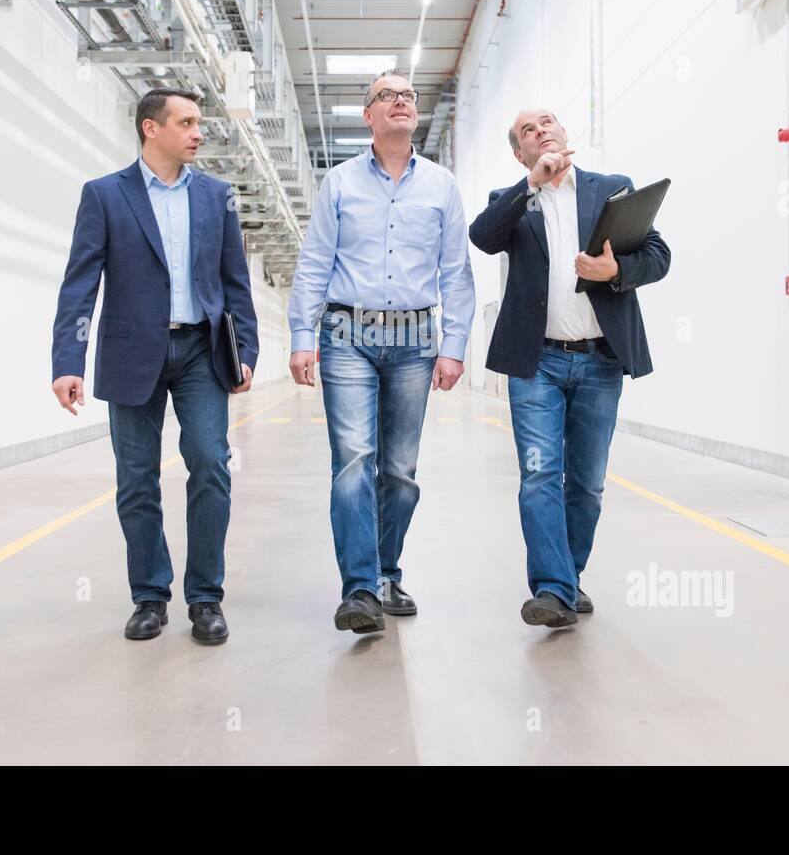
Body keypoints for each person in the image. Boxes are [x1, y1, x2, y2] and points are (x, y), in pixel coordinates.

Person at [51, 88, 259, 645]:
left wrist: (248, 352)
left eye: (199, 122)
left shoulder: (216, 196)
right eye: (187, 122)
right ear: (151, 129)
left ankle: (205, 598)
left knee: (211, 464)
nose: (198, 132)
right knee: (136, 479)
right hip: (130, 350)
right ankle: (149, 595)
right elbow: (79, 286)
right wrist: (67, 360)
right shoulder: (104, 196)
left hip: (200, 352)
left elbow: (235, 283)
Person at [287, 69, 475, 634]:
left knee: (400, 470)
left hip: (416, 339)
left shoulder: (441, 185)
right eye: (387, 96)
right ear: (368, 116)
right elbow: (316, 261)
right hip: (346, 335)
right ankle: (360, 589)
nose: (402, 101)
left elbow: (457, 273)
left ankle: (388, 570)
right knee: (352, 462)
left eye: (409, 96)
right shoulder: (339, 183)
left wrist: (455, 345)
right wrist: (302, 336)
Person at [469, 108, 670, 628]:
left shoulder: (613, 190)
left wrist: (616, 270)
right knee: (539, 474)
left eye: (547, 123)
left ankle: (568, 577)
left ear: (564, 133)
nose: (541, 131)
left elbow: (659, 256)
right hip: (536, 363)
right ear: (521, 153)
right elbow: (483, 236)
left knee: (586, 483)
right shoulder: (513, 201)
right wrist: (529, 186)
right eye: (528, 132)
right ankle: (554, 590)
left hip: (600, 361)